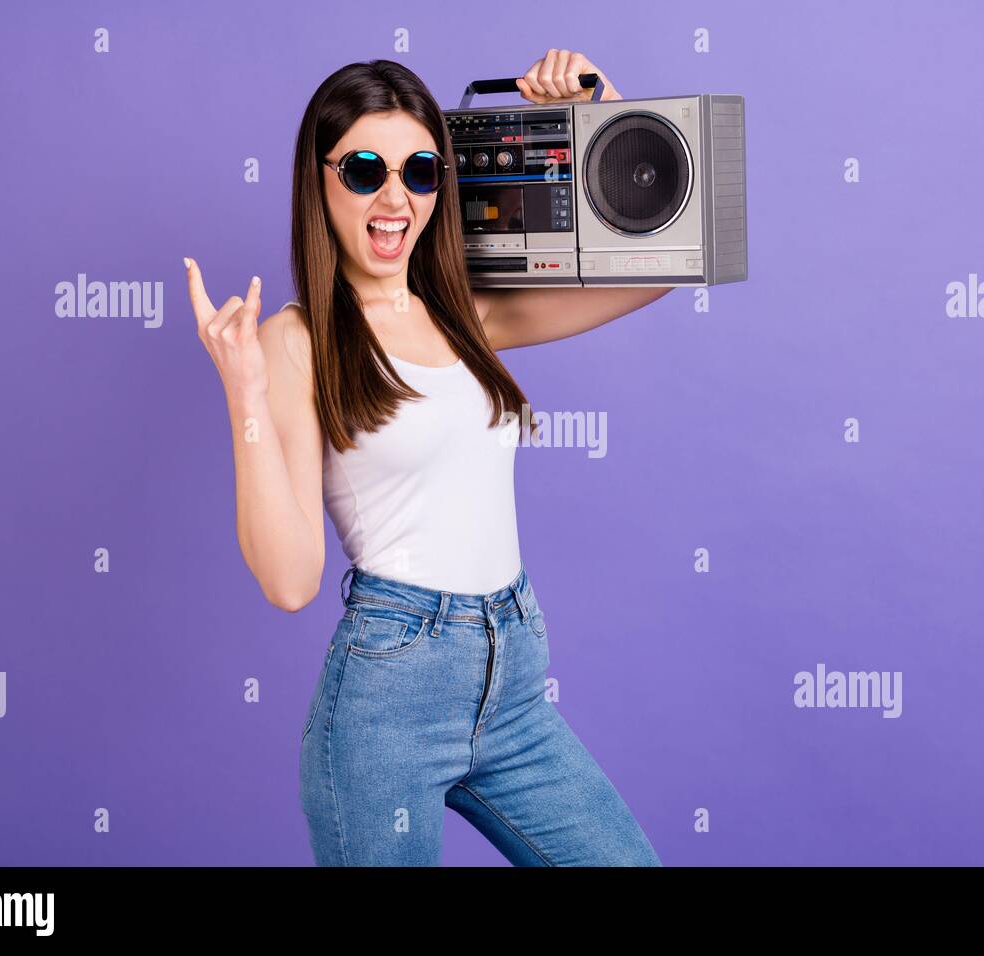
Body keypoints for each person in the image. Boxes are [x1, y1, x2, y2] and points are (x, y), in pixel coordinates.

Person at [184, 50, 668, 865]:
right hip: (390, 702)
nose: (394, 198)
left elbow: (656, 264)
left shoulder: (468, 312)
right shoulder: (297, 342)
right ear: (321, 179)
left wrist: (598, 111)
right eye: (366, 169)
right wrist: (245, 398)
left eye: (420, 171)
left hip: (513, 686)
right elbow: (290, 580)